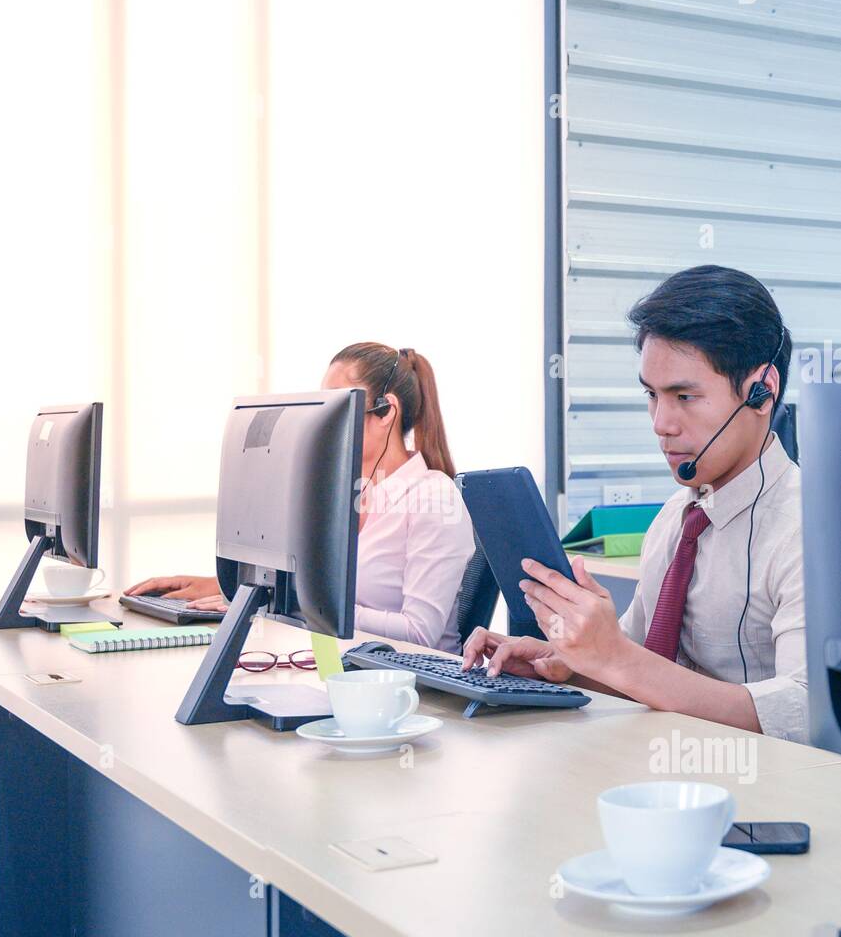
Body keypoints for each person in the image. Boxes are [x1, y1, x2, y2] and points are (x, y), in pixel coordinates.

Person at [464, 266, 808, 742]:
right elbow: (645, 667)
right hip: (660, 784)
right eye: (652, 395)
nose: (661, 423)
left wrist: (615, 658)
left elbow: (803, 711)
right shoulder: (675, 519)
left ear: (760, 391)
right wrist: (566, 663)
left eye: (685, 396)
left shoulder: (809, 532)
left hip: (757, 803)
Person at [126, 344, 476, 653]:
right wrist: (232, 590)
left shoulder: (432, 496)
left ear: (386, 412)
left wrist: (291, 604)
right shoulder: (341, 492)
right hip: (337, 671)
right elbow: (310, 588)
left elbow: (420, 635)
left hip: (412, 692)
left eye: (342, 403)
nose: (328, 417)